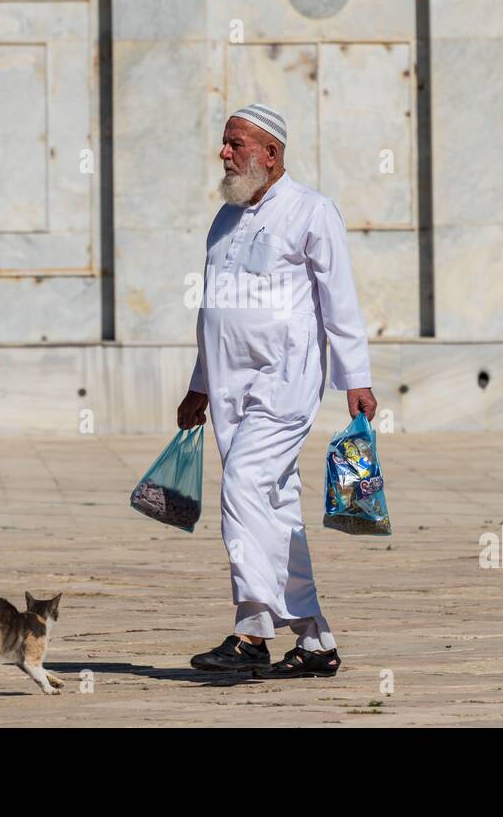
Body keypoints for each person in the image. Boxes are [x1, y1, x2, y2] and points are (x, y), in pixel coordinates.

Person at [178, 103, 377, 680]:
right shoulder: (226, 217)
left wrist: (355, 377)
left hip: (284, 380)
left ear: (271, 153)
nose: (225, 152)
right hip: (229, 385)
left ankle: (252, 629)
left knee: (242, 483)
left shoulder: (312, 211)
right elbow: (211, 309)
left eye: (236, 143)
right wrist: (200, 384)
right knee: (275, 505)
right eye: (224, 142)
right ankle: (316, 643)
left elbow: (340, 300)